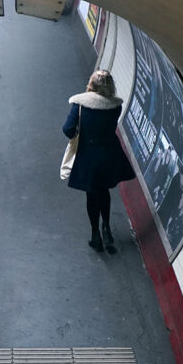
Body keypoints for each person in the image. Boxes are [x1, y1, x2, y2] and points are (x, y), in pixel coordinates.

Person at [63, 69, 137, 252]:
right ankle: (107, 228)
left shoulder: (80, 105)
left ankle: (95, 233)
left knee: (92, 195)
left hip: (88, 155)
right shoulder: (115, 107)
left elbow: (68, 129)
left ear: (91, 85)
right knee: (104, 192)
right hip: (109, 155)